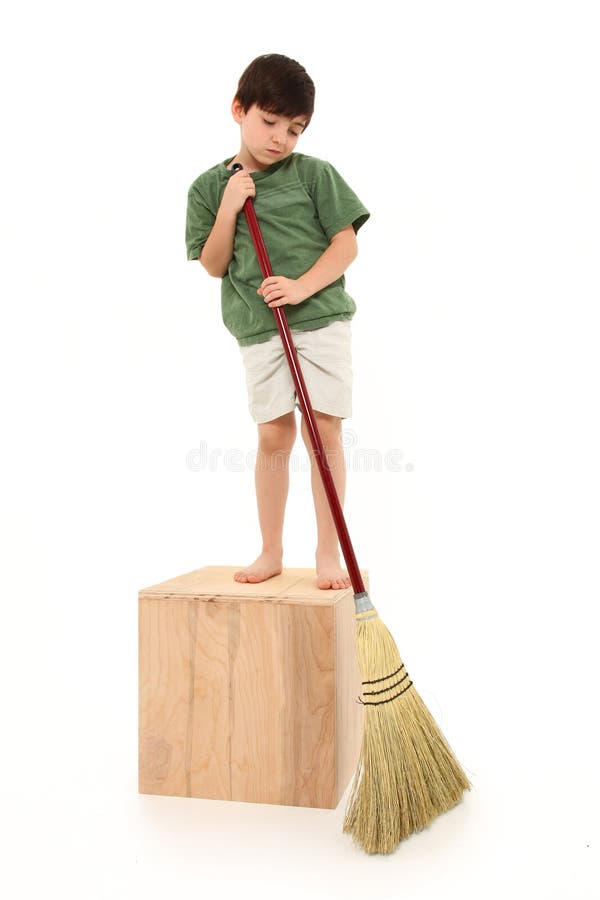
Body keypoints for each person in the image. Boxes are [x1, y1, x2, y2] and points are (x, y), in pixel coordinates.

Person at [185, 53, 370, 589]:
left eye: (294, 129)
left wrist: (301, 287)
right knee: (273, 435)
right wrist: (228, 206)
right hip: (259, 329)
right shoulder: (206, 187)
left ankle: (327, 555)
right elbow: (214, 263)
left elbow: (346, 242)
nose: (280, 139)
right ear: (238, 110)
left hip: (322, 320)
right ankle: (270, 550)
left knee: (326, 430)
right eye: (269, 122)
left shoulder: (314, 174)